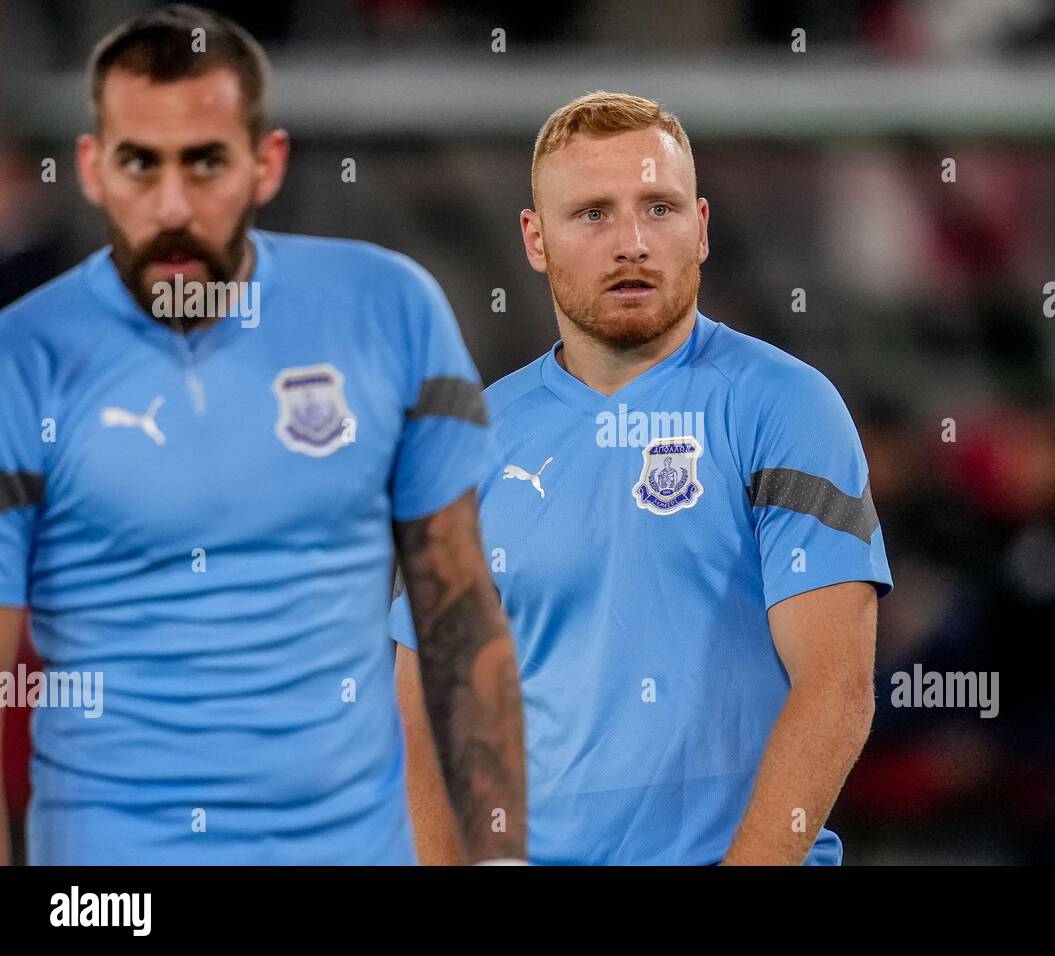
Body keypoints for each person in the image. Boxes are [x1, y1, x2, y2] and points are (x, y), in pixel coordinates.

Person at [0, 4, 524, 865]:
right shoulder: (24, 361)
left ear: (265, 163)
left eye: (205, 163)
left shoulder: (386, 309)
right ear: (93, 168)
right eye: (141, 164)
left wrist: (499, 855)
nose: (172, 206)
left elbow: (459, 615)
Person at [391, 92, 892, 865]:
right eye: (592, 213)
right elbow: (424, 711)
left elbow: (836, 688)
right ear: (535, 238)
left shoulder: (785, 407)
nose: (631, 241)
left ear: (701, 227)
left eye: (658, 209)